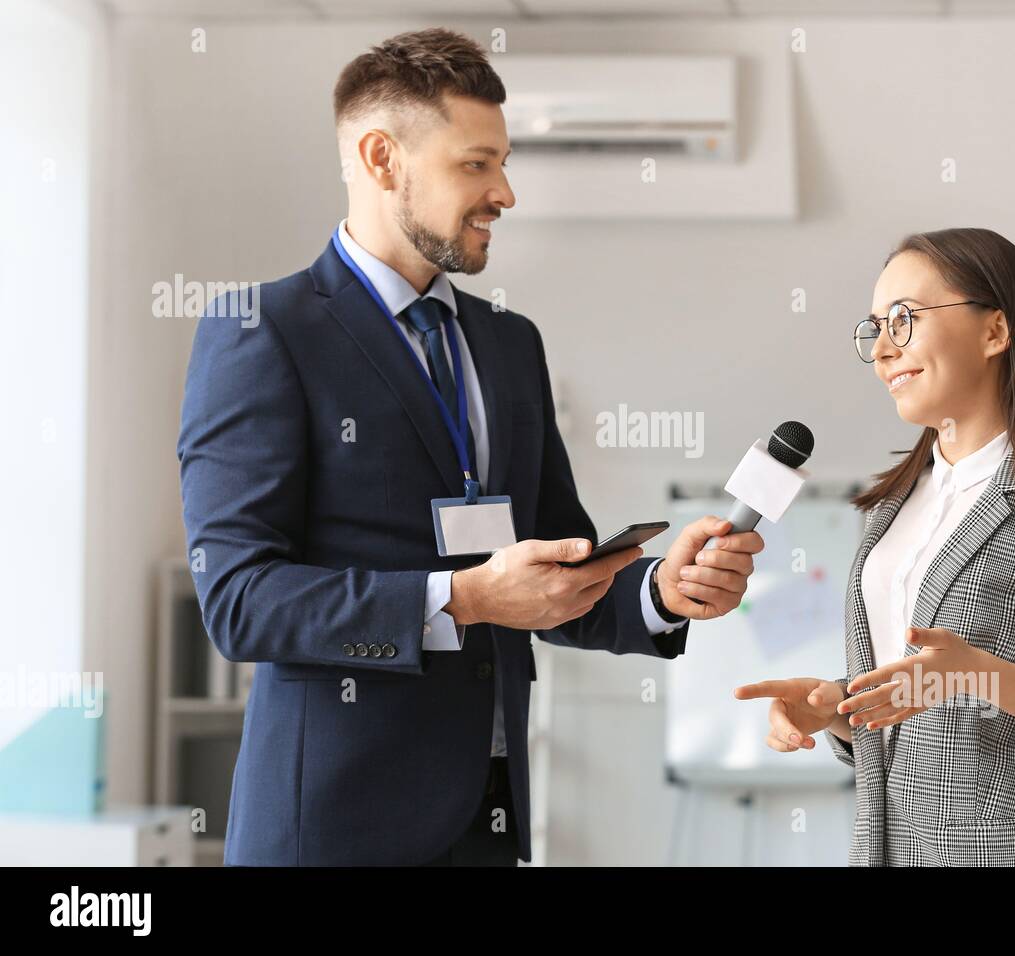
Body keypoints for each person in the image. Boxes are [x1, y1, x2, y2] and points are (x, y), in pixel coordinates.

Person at [177, 27, 762, 866]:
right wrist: (464, 599)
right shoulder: (264, 333)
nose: (506, 193)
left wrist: (663, 591)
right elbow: (239, 601)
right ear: (383, 158)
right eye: (476, 164)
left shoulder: (508, 343)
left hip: (486, 823)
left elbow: (557, 570)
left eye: (504, 162)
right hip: (331, 832)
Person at [735, 228, 1015, 866]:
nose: (885, 348)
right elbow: (929, 726)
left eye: (906, 319)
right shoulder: (889, 508)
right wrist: (837, 708)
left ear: (996, 331)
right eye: (875, 328)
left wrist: (984, 677)